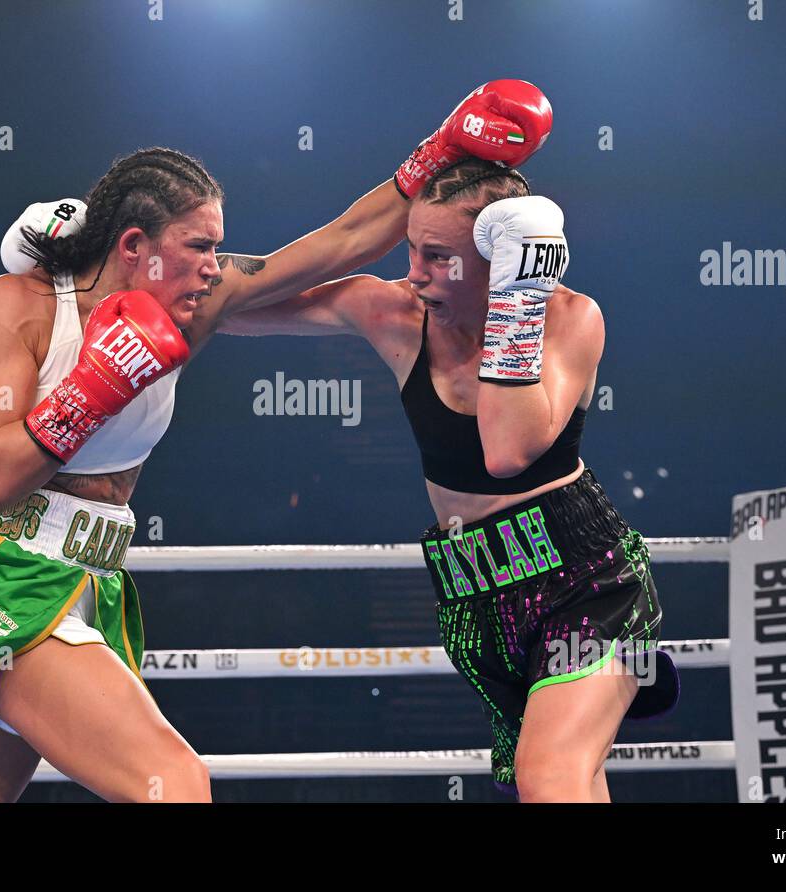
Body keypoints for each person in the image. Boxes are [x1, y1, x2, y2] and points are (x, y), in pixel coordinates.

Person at [0, 81, 547, 803]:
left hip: (89, 578)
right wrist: (91, 389)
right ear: (135, 246)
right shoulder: (18, 307)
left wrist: (443, 150)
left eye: (217, 247)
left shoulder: (195, 306)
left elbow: (342, 242)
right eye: (199, 246)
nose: (215, 265)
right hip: (3, 576)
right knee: (173, 784)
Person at [219, 157, 681, 802]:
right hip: (476, 591)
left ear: (502, 257)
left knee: (550, 775)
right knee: (566, 780)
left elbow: (507, 451)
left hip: (587, 582)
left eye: (438, 256)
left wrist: (520, 292)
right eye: (411, 247)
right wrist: (113, 270)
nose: (414, 272)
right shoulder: (395, 313)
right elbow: (225, 307)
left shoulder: (568, 319)